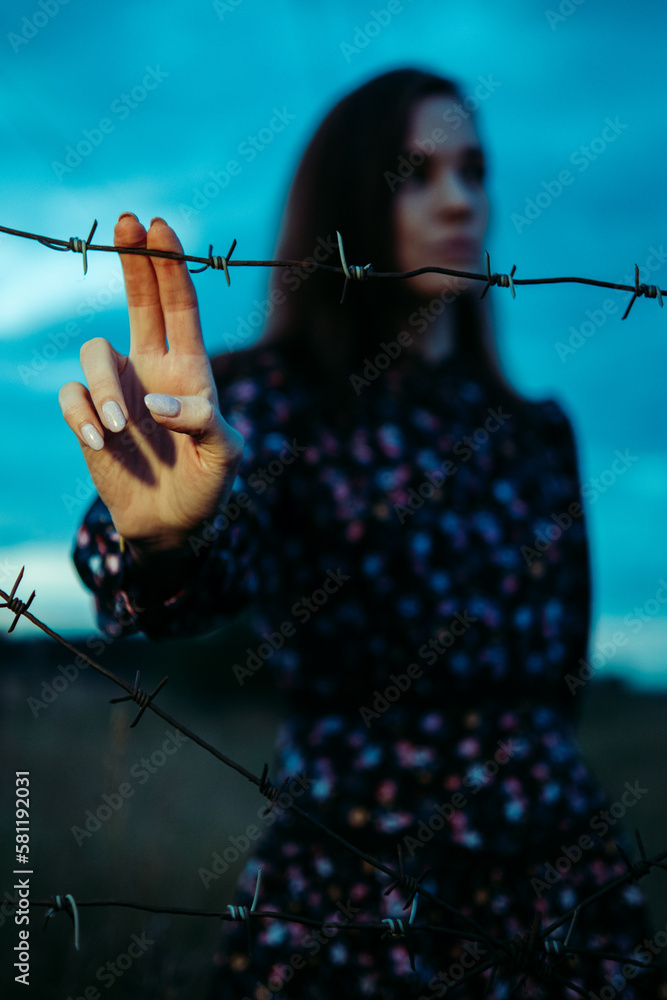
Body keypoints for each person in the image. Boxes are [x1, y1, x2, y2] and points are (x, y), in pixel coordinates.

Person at [60, 68, 665, 999]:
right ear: (347, 200)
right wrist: (165, 544)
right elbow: (214, 550)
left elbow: (563, 681)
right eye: (414, 175)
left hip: (559, 886)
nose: (459, 200)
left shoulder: (535, 432)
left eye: (473, 169)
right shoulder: (270, 400)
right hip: (357, 892)